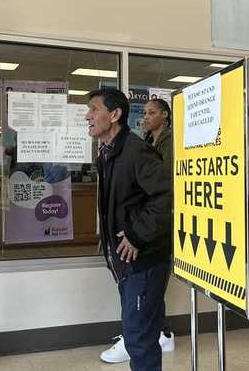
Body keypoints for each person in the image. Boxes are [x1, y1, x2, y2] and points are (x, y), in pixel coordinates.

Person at [88, 88, 172, 371]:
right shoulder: (109, 152)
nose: (88, 116)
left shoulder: (137, 151)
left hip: (144, 259)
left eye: (94, 109)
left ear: (114, 115)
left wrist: (137, 235)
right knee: (138, 332)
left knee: (138, 338)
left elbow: (166, 197)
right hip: (125, 260)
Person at [143, 98, 173, 164]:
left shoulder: (170, 140)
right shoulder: (148, 141)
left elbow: (166, 170)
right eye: (144, 113)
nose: (146, 117)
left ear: (164, 114)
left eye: (151, 113)